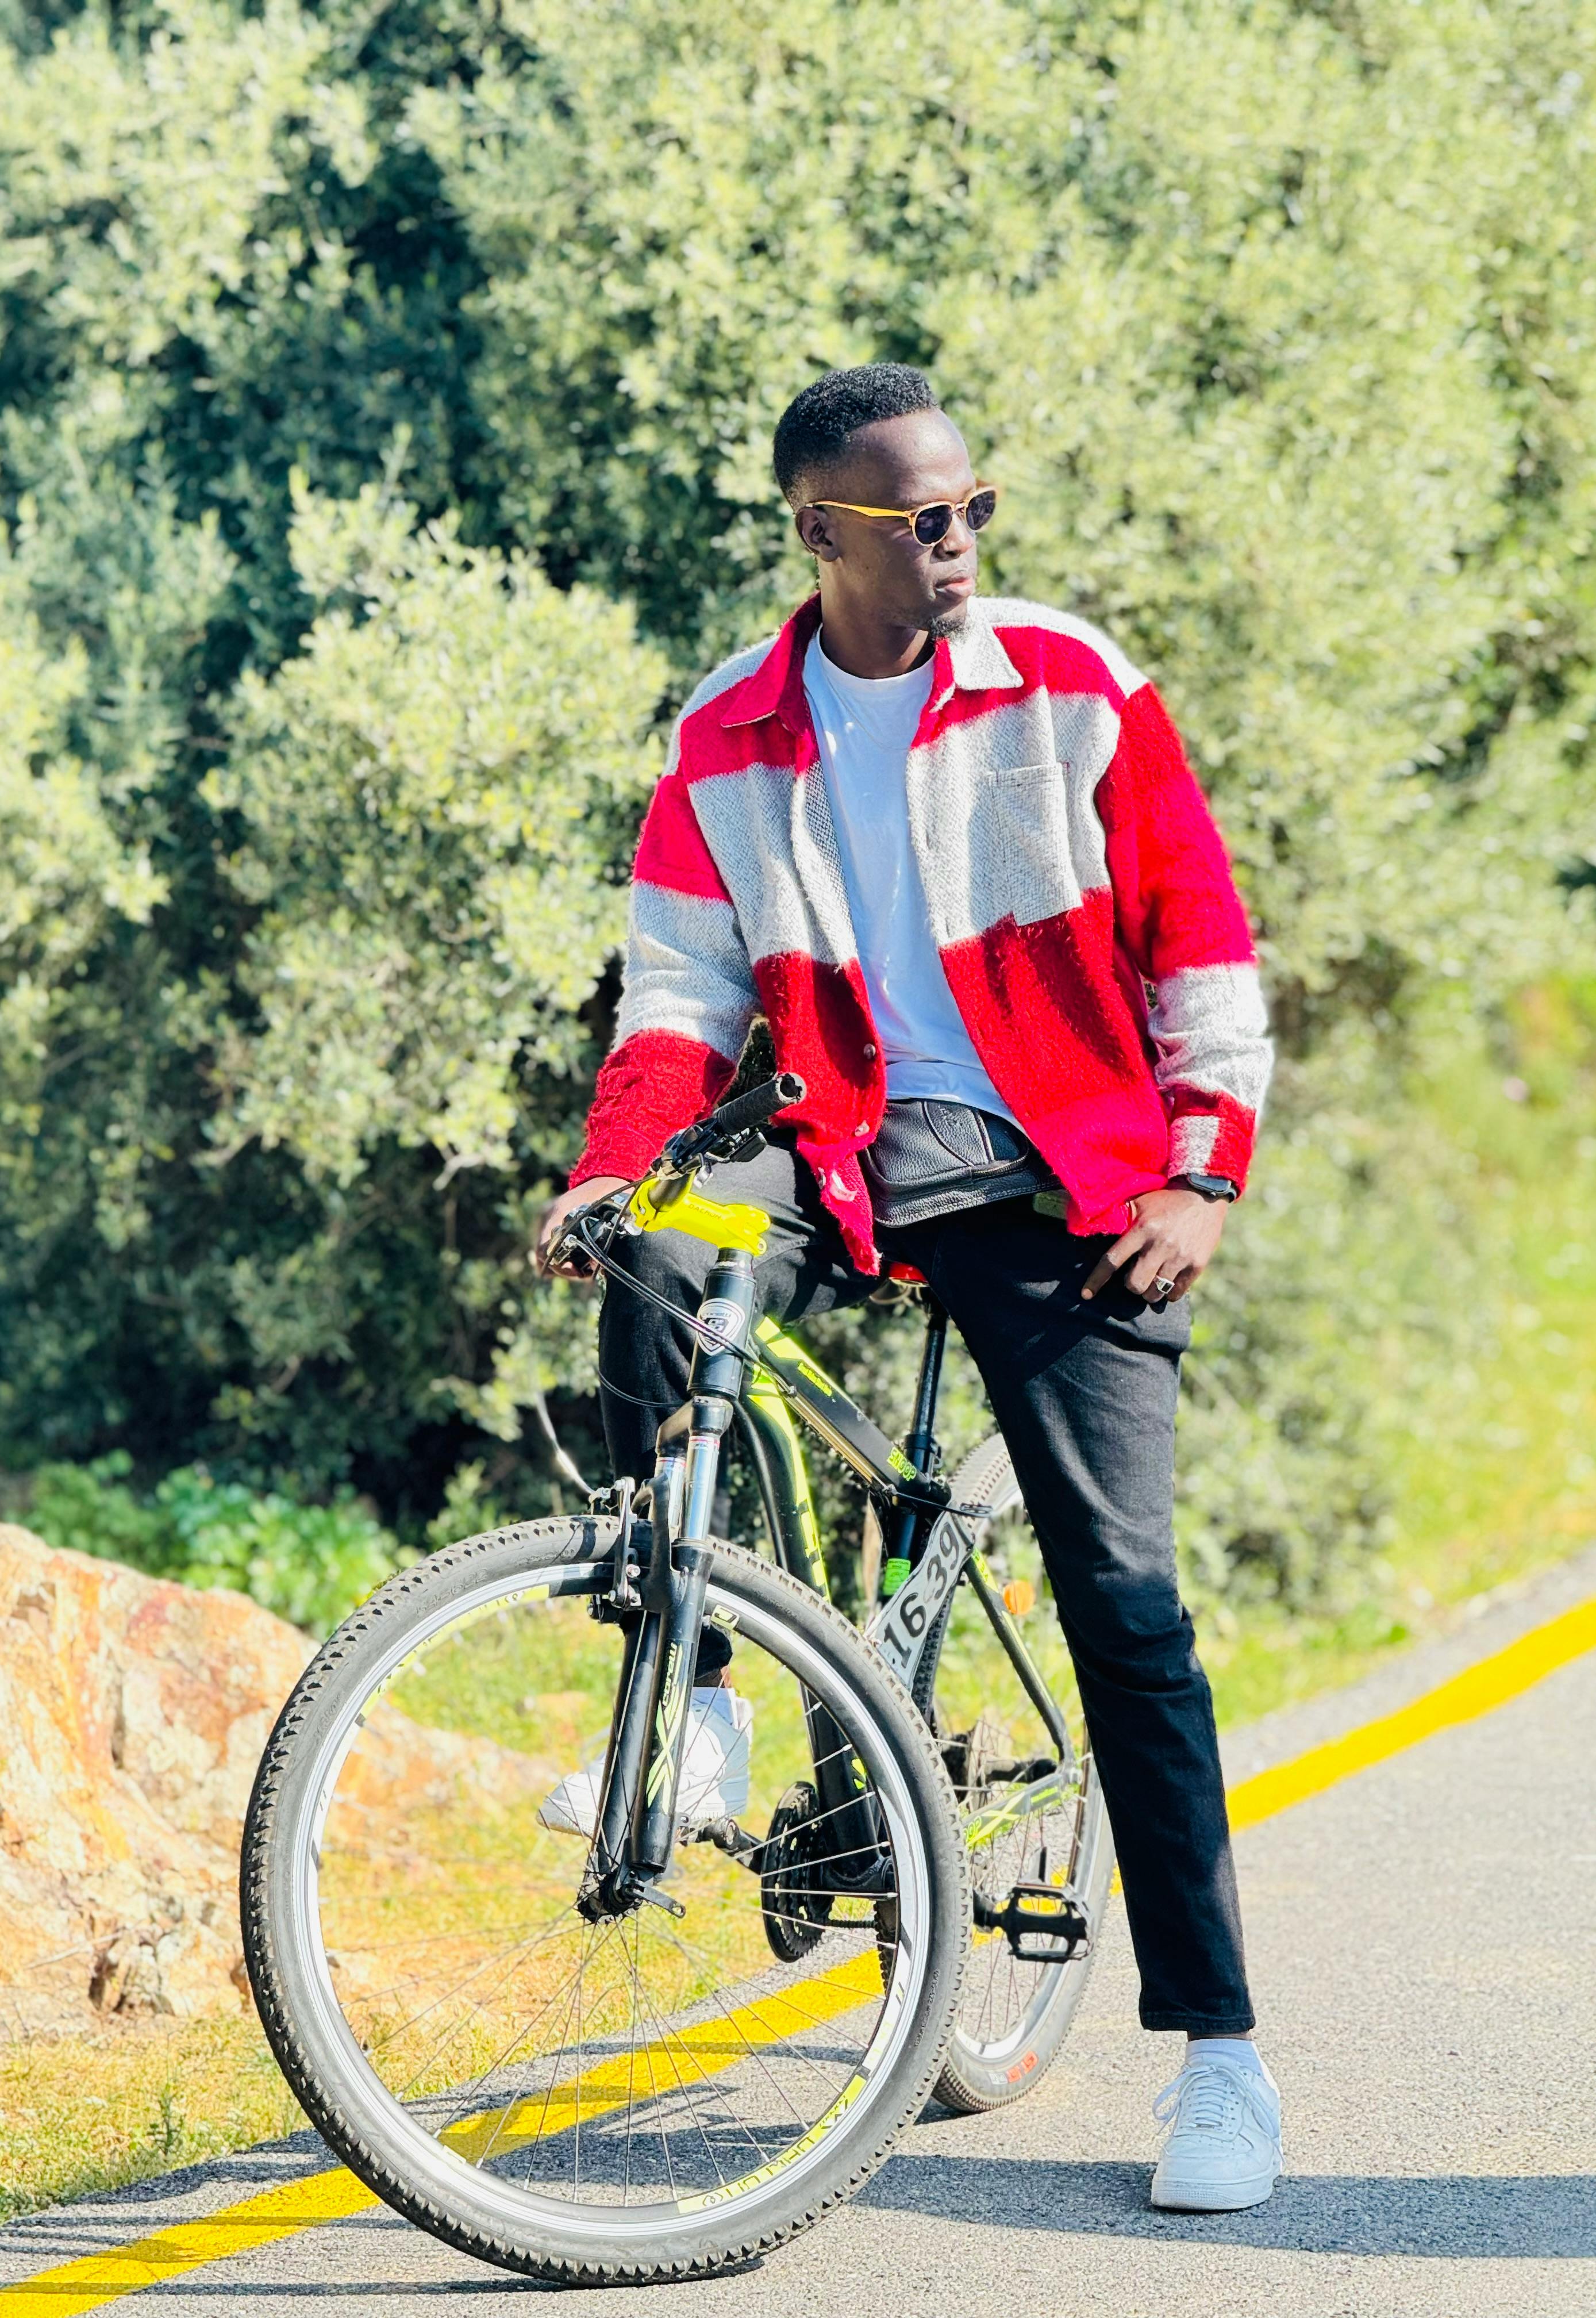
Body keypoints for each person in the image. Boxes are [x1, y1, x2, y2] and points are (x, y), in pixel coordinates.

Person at [534, 363, 1280, 2214]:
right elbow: (681, 998)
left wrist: (1203, 1172)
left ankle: (1222, 2060)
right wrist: (616, 1164)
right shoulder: (728, 731)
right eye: (919, 518)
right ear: (821, 531)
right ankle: (698, 1687)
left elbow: (1199, 935)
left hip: (1065, 1169)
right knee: (662, 1250)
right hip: (840, 1141)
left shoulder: (1070, 685)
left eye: (972, 509)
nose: (958, 543)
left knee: (1125, 1606)